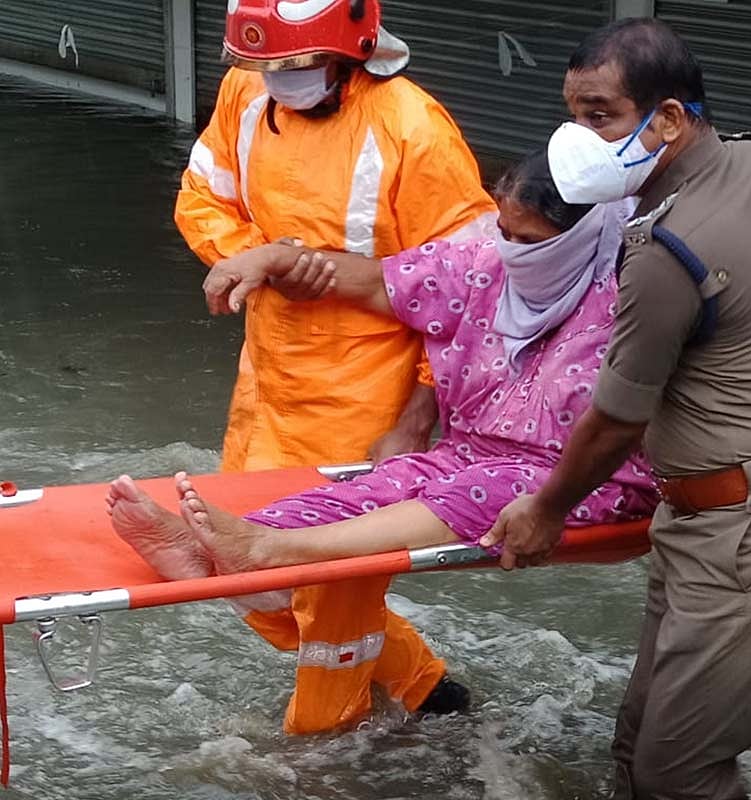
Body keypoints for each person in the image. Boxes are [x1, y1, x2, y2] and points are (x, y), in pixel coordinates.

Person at [478, 19, 751, 799]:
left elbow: (615, 421)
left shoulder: (665, 250)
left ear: (667, 118)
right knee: (636, 756)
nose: (578, 137)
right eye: (572, 114)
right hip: (733, 516)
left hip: (748, 532)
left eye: (600, 115)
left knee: (678, 774)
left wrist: (546, 510)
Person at [109, 152, 659, 722]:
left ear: (580, 235)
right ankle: (210, 553)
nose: (510, 248)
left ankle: (269, 552)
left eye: (529, 238)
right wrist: (276, 258)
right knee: (371, 487)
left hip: (583, 477)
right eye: (502, 229)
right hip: (467, 453)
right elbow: (376, 281)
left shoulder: (636, 294)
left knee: (488, 490)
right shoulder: (486, 266)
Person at [173, 0, 496, 733]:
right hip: (272, 379)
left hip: (371, 394)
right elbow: (203, 195)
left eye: (293, 66)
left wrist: (418, 416)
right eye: (264, 67)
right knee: (241, 575)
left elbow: (475, 291)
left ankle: (319, 758)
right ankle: (422, 685)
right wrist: (250, 260)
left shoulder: (414, 130)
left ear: (355, 50)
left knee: (335, 601)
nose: (276, 81)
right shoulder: (245, 92)